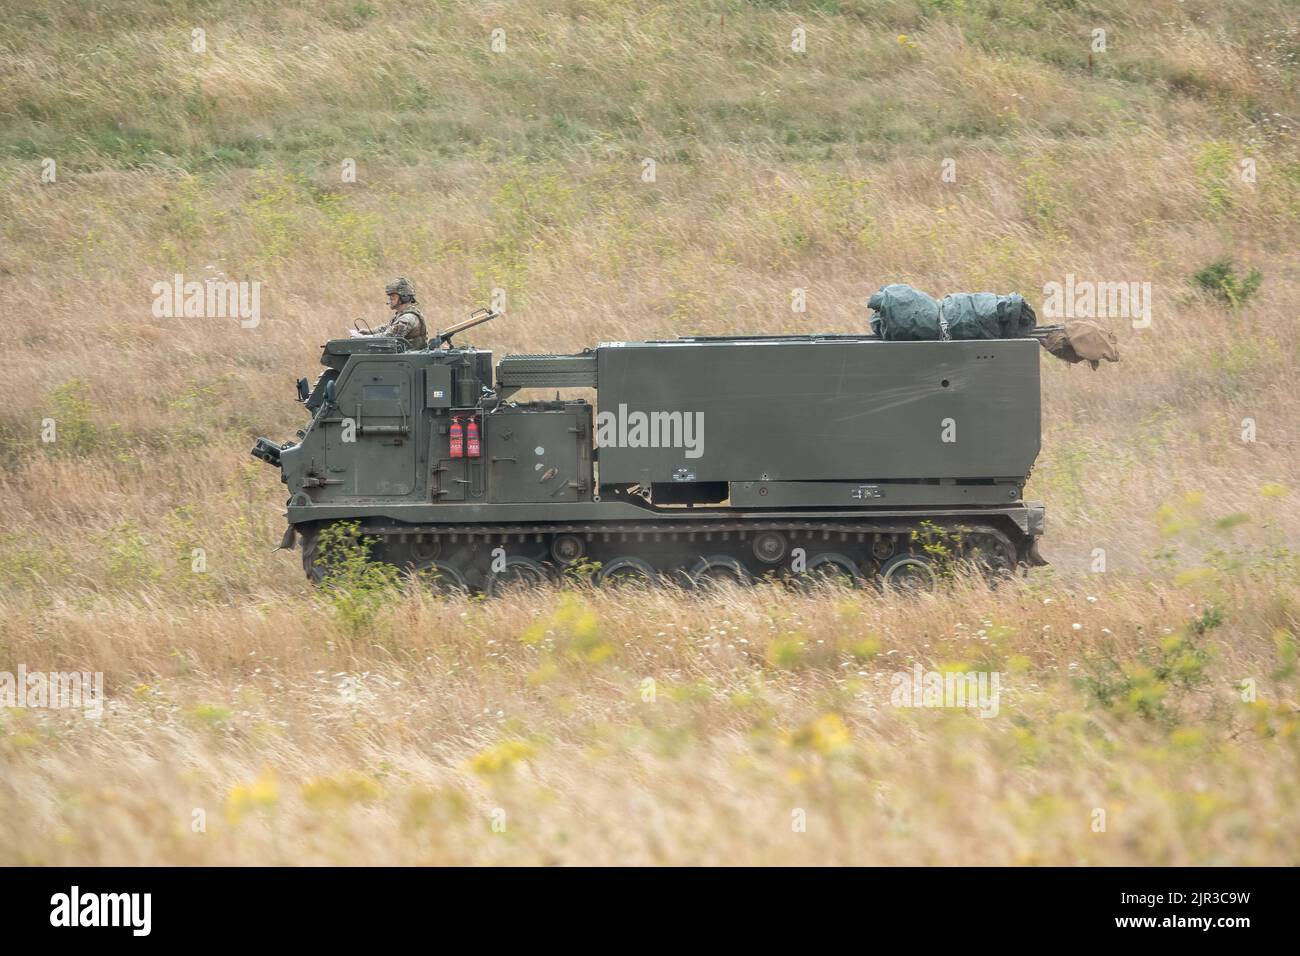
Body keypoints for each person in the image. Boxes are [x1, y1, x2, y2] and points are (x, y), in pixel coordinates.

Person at [351, 277, 429, 349]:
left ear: (404, 297)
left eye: (393, 296)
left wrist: (362, 338)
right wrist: (368, 332)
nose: (390, 299)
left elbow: (388, 337)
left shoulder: (408, 318)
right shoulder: (402, 314)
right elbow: (388, 327)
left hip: (409, 359)